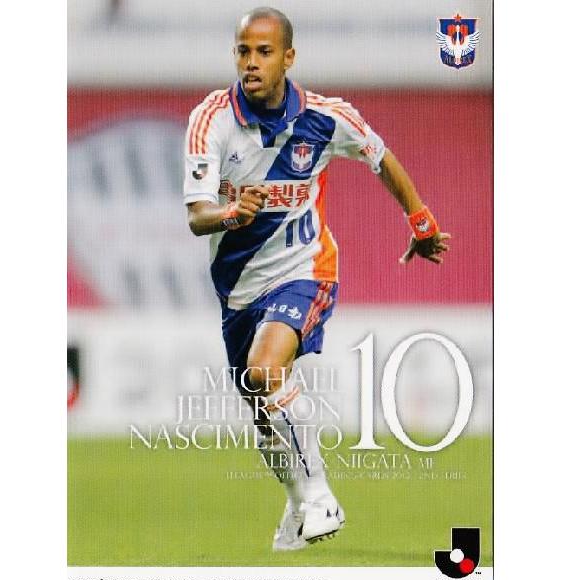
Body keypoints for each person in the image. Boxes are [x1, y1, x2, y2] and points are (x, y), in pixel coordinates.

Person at [183, 7, 451, 551]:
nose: (251, 62)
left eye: (263, 52)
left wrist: (420, 221)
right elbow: (197, 216)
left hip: (306, 269)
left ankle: (321, 496)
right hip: (238, 290)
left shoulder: (327, 118)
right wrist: (230, 215)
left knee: (264, 371)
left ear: (288, 57)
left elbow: (381, 158)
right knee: (263, 414)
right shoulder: (211, 121)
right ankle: (297, 502)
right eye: (243, 51)